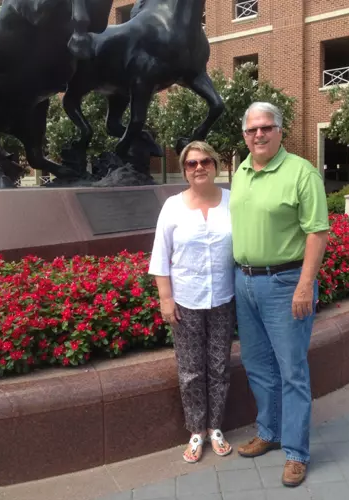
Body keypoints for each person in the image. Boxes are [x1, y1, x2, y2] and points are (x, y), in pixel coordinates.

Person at [230, 102, 329, 487]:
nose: (259, 134)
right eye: (252, 129)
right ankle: (269, 432)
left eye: (266, 128)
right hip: (245, 281)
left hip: (286, 283)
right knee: (257, 365)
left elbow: (317, 231)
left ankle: (296, 453)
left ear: (280, 131)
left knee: (291, 371)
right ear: (244, 134)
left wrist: (305, 284)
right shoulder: (238, 171)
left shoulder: (301, 172)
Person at [148, 141, 235, 463]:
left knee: (219, 367)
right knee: (190, 371)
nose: (199, 167)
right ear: (185, 170)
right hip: (185, 301)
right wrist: (165, 299)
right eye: (191, 163)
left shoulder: (232, 201)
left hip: (223, 299)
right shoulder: (172, 206)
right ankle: (196, 430)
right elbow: (161, 256)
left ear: (216, 165)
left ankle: (215, 427)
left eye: (205, 161)